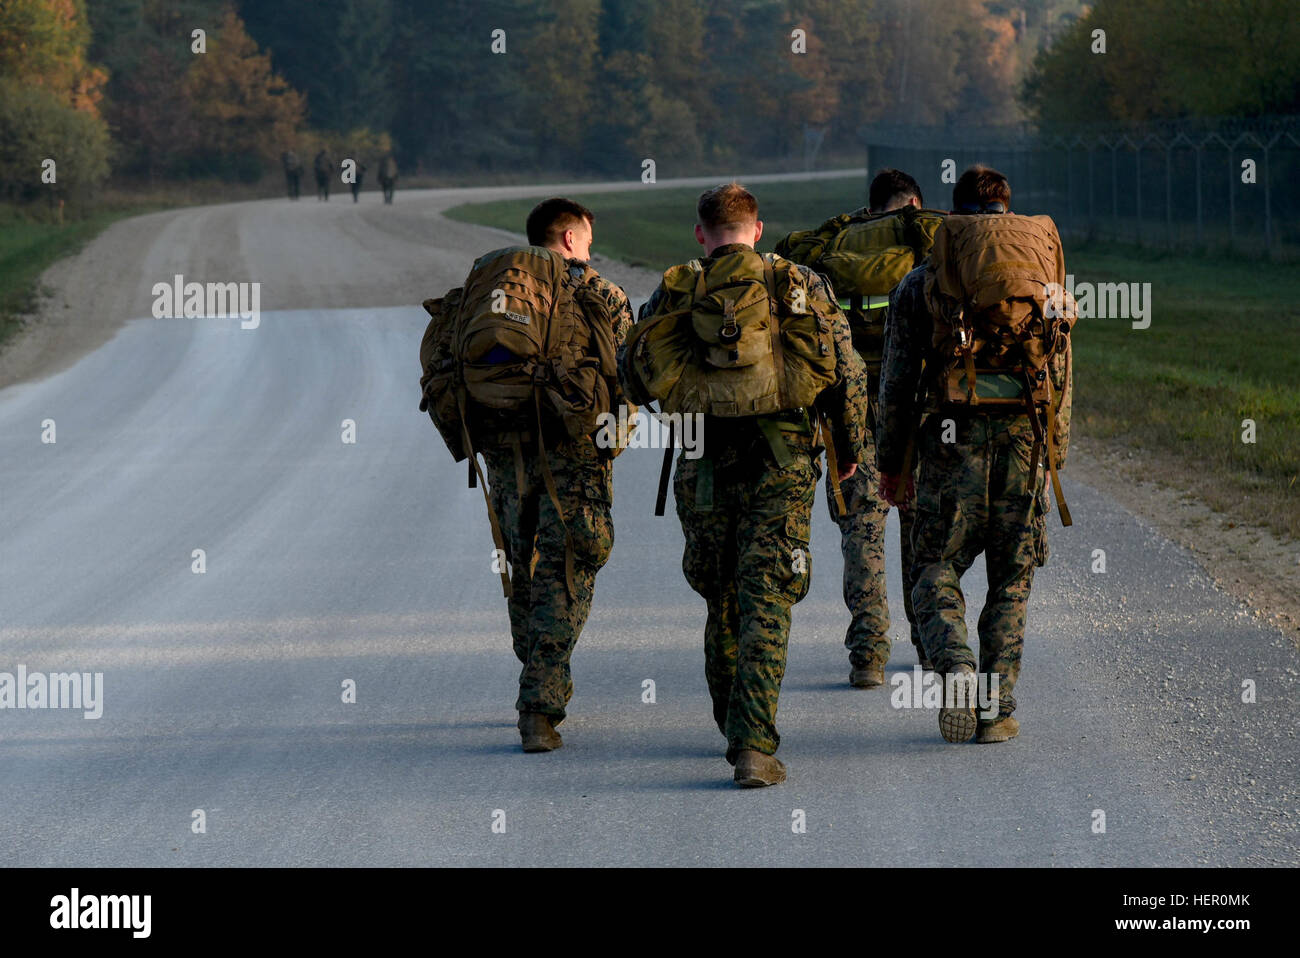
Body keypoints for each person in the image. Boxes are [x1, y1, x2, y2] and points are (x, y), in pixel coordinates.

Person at [621, 184, 870, 787]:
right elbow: (847, 372)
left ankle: (734, 724)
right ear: (757, 229)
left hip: (701, 464)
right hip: (782, 462)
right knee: (769, 595)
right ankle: (754, 741)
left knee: (722, 594)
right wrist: (848, 451)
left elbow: (632, 375)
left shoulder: (679, 287)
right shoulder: (799, 284)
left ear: (702, 234)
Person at [876, 165, 1074, 745]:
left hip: (948, 442)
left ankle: (956, 664)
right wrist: (1054, 454)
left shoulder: (921, 283)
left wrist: (892, 465)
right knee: (1012, 578)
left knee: (934, 566)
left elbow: (895, 383)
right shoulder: (1048, 289)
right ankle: (996, 710)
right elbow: (1060, 374)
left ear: (955, 215)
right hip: (1024, 439)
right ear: (1009, 211)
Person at [473, 199, 633, 752]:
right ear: (568, 239)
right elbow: (630, 377)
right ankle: (539, 703)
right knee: (569, 564)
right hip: (574, 451)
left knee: (523, 560)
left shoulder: (496, 291)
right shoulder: (601, 293)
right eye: (587, 239)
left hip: (504, 449)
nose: (589, 250)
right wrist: (614, 443)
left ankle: (535, 668)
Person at [778, 169, 943, 688]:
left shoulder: (834, 239)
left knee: (861, 527)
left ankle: (868, 652)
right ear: (914, 202)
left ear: (871, 205)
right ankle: (926, 642)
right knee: (919, 521)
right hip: (914, 402)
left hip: (842, 405)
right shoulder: (928, 238)